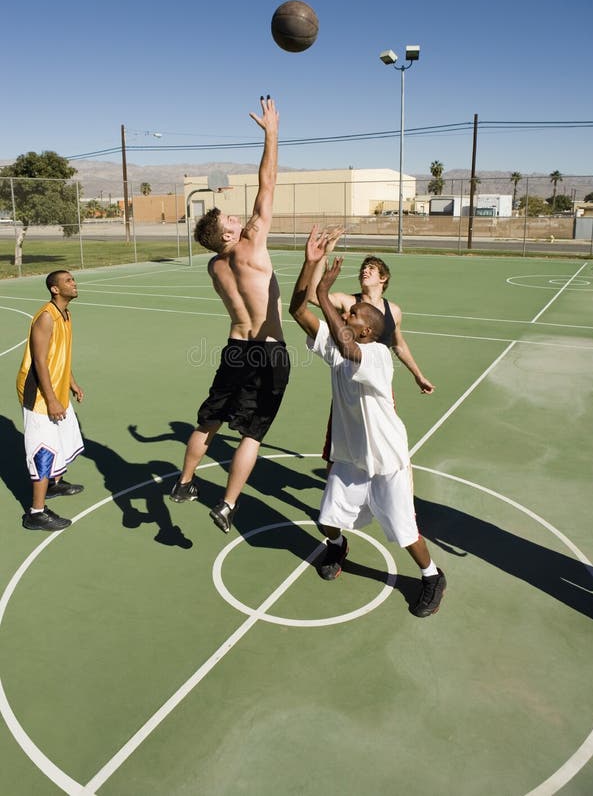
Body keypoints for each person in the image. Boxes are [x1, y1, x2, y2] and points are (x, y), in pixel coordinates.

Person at [289, 227, 446, 617]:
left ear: (369, 331)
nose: (347, 312)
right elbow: (297, 311)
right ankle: (337, 546)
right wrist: (310, 264)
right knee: (327, 521)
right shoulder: (339, 347)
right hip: (350, 457)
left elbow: (345, 343)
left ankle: (431, 576)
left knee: (404, 531)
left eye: (353, 314)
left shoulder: (375, 356)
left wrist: (325, 293)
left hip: (387, 459)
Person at [170, 96, 290, 534]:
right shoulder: (251, 243)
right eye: (230, 217)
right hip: (268, 350)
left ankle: (184, 483)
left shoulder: (213, 265)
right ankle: (227, 504)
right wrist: (272, 133)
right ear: (226, 232)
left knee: (209, 419)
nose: (239, 216)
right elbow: (269, 182)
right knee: (252, 434)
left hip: (235, 350)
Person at [307, 232, 434, 464]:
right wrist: (323, 254)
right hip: (348, 382)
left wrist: (418, 375)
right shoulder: (348, 302)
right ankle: (335, 490)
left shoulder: (393, 310)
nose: (365, 270)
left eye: (372, 268)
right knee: (337, 447)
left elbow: (399, 344)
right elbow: (315, 296)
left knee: (384, 443)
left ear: (383, 278)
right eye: (363, 268)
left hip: (377, 386)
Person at [16, 270, 85, 531]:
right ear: (55, 289)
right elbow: (40, 361)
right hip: (39, 396)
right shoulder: (46, 317)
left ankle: (55, 484)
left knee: (65, 438)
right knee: (43, 450)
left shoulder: (65, 314)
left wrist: (71, 383)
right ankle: (36, 513)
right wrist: (52, 399)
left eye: (73, 279)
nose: (74, 283)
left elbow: (60, 356)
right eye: (68, 281)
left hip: (56, 390)